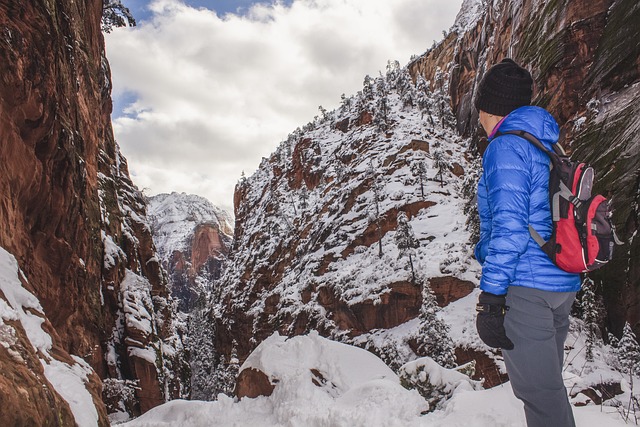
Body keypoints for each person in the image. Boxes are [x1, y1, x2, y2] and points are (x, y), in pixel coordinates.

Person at [473, 58, 582, 427]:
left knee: (540, 398)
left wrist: (490, 299)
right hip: (561, 283)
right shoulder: (547, 143)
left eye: (482, 109)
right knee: (549, 392)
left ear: (493, 109)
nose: (478, 118)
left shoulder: (504, 148)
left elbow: (510, 228)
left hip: (527, 285)